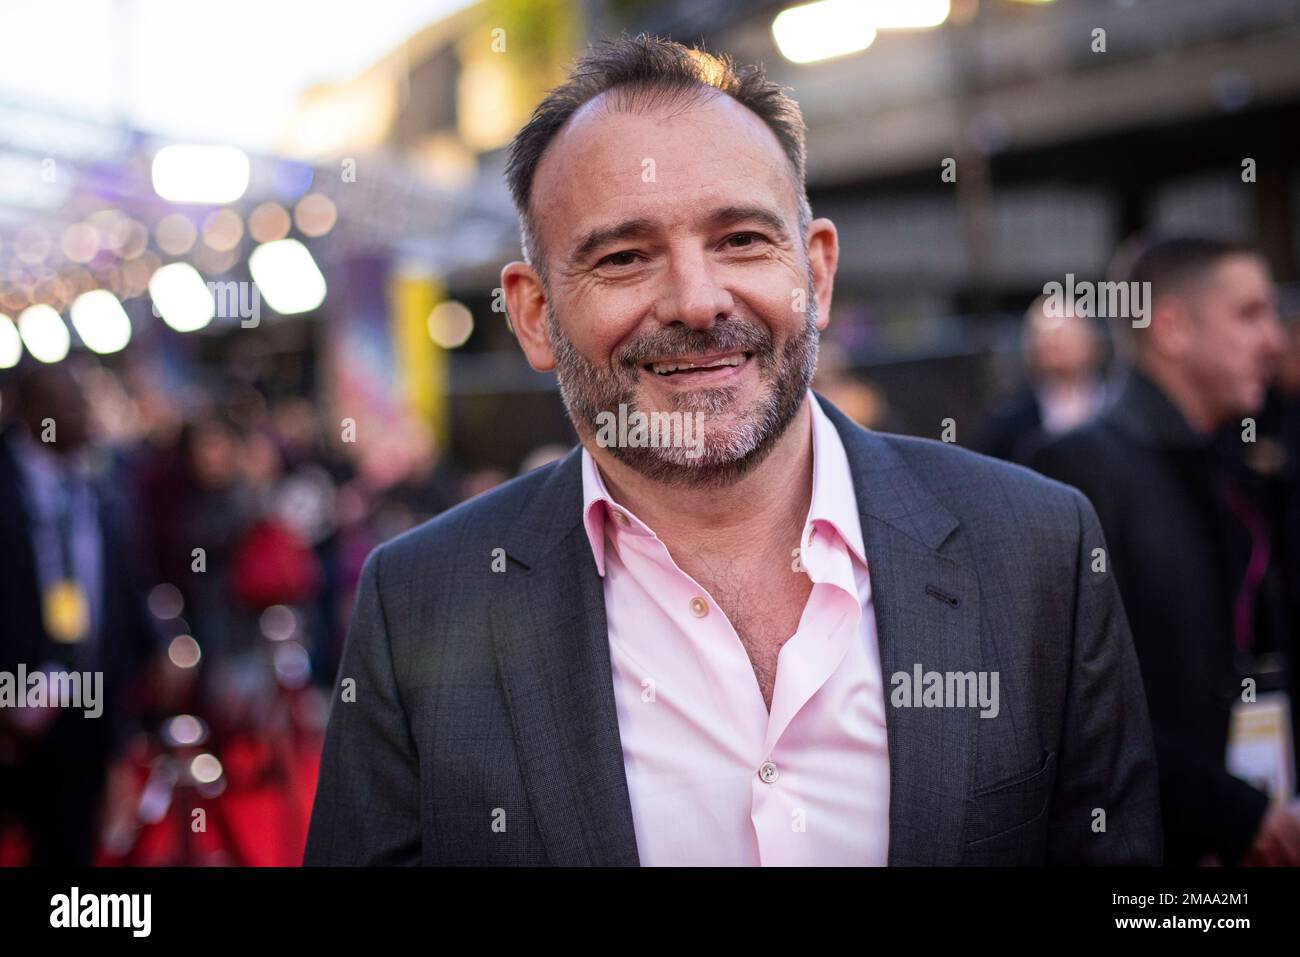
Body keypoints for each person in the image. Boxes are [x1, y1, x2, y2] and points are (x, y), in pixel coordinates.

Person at [305, 35, 1160, 866]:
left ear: (815, 275)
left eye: (742, 240)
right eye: (625, 256)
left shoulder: (1037, 549)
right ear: (533, 314)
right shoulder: (418, 604)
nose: (697, 301)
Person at [1033, 236, 1299, 866]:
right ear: (1173, 328)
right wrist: (1229, 813)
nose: (1274, 341)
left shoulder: (1241, 466)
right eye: (1248, 314)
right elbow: (1075, 698)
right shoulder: (1077, 468)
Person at [0, 362, 161, 865]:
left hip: (86, 703)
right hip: (11, 700)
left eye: (84, 401)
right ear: (26, 410)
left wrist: (154, 649)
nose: (82, 413)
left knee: (70, 847)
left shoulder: (101, 482)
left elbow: (122, 582)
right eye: (65, 402)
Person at [979, 296, 1106, 466]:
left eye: (1064, 335)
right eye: (1046, 337)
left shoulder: (1118, 410)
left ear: (1089, 339)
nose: (1056, 345)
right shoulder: (1009, 422)